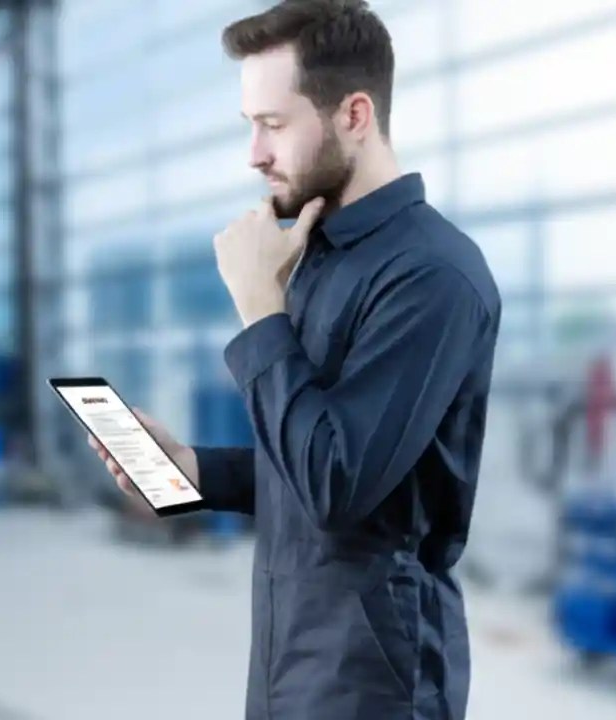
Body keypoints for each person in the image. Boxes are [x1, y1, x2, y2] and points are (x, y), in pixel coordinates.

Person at [87, 1, 501, 718]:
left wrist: (260, 310)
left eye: (274, 124)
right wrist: (192, 470)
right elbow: (307, 454)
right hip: (291, 664)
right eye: (249, 125)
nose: (254, 153)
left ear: (355, 115)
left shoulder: (431, 276)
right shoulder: (315, 258)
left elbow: (337, 484)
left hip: (376, 684)